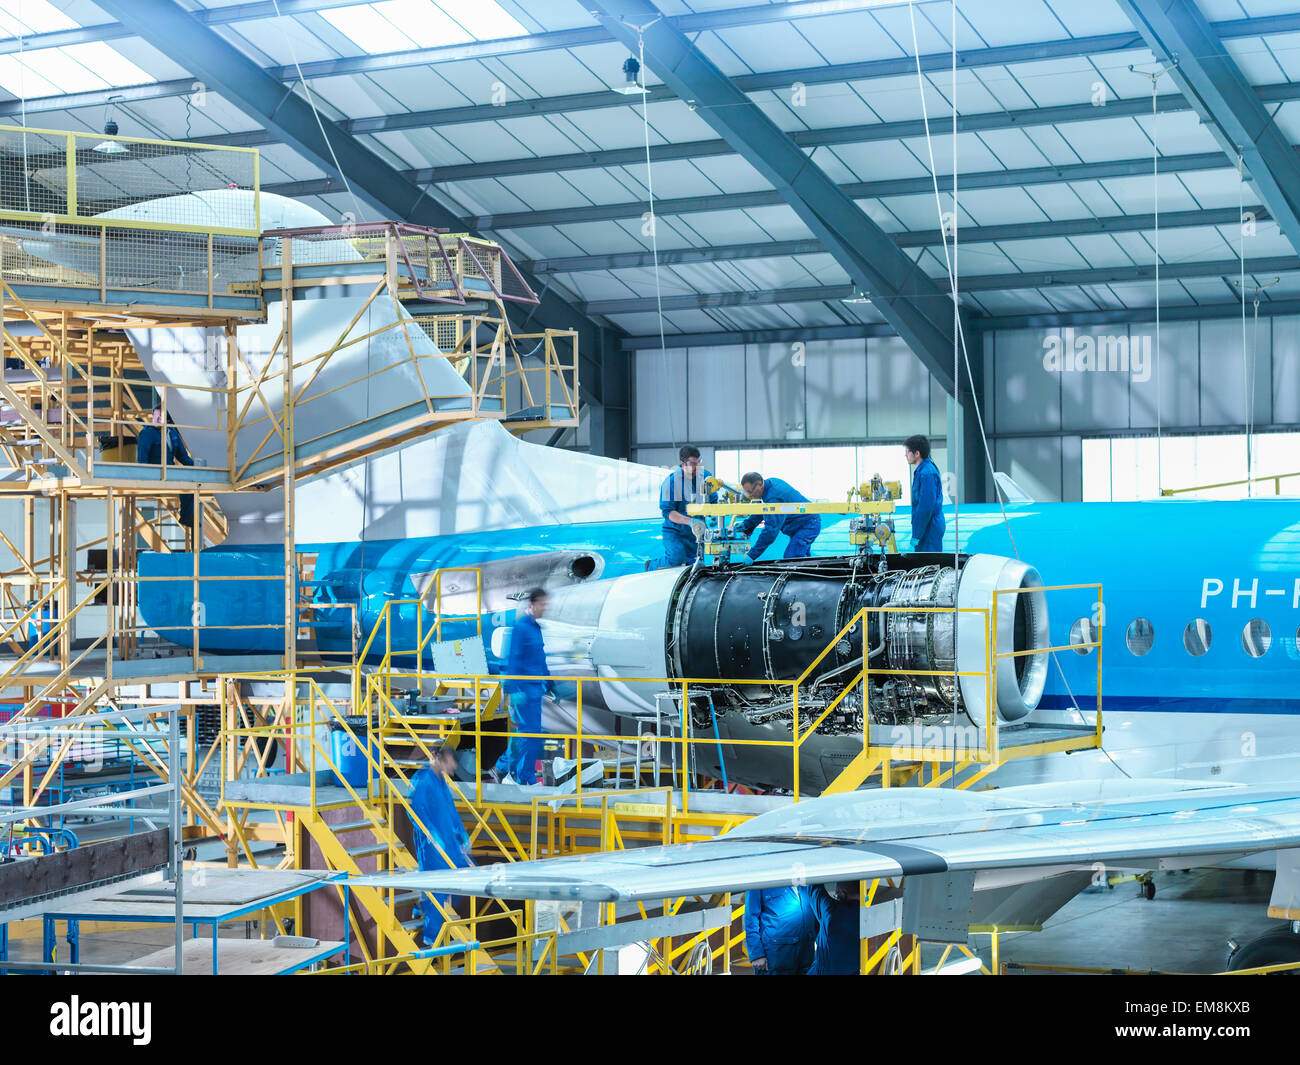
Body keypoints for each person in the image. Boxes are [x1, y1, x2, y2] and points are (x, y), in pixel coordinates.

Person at [409, 743, 474, 946]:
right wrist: (431, 834)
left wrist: (461, 833)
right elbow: (415, 810)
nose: (452, 769)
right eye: (450, 763)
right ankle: (431, 939)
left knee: (468, 874)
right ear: (437, 758)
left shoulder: (442, 781)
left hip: (448, 842)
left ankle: (422, 904)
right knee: (437, 891)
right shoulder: (424, 779)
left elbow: (450, 809)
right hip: (432, 846)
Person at [491, 587, 550, 785]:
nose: (545, 608)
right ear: (532, 605)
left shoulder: (536, 628)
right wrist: (512, 689)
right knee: (531, 735)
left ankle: (502, 768)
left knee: (525, 734)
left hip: (534, 691)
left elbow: (541, 660)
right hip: (523, 692)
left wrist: (552, 684)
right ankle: (524, 777)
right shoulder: (521, 628)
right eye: (542, 604)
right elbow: (514, 659)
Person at [651, 445, 717, 569]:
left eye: (699, 463)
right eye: (693, 464)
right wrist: (690, 521)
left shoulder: (706, 477)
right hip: (675, 531)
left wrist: (712, 516)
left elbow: (714, 501)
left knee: (694, 566)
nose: (697, 467)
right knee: (676, 558)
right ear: (682, 463)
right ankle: (651, 566)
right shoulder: (671, 482)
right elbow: (668, 512)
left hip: (697, 532)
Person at [737, 473, 821, 561]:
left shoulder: (774, 497)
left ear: (760, 484)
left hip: (808, 525)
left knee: (792, 558)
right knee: (801, 559)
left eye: (751, 491)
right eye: (747, 492)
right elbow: (762, 511)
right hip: (804, 524)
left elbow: (771, 531)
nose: (749, 495)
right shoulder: (769, 486)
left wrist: (752, 555)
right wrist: (747, 524)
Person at [137, 405, 196, 528]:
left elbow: (183, 457)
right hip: (155, 472)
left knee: (191, 484)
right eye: (155, 417)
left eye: (160, 417)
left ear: (168, 420)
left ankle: (187, 517)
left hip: (170, 471)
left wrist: (197, 468)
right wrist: (144, 478)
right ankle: (187, 517)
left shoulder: (173, 434)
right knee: (186, 483)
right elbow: (142, 458)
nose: (156, 420)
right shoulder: (147, 433)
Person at [744, 885, 816, 975]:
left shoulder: (804, 878)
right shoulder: (760, 879)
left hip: (806, 950)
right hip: (776, 953)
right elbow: (751, 917)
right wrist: (756, 954)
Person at [806, 882, 860, 975]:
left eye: (837, 893)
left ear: (843, 893)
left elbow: (814, 891)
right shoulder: (870, 917)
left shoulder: (832, 913)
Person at [903, 434, 946, 552]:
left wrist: (917, 534)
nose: (905, 455)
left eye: (907, 452)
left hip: (929, 528)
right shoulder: (924, 470)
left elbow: (926, 506)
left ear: (917, 454)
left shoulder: (926, 473)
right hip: (927, 527)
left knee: (928, 565)